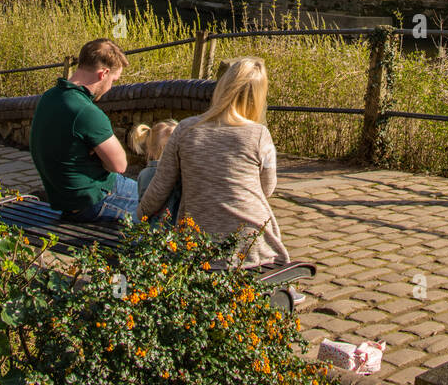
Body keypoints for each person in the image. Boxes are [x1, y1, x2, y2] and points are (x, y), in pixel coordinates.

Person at [136, 57, 289, 268]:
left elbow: (160, 187)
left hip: (197, 242)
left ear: (223, 87)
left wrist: (138, 217)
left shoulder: (185, 129)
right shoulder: (260, 134)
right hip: (250, 242)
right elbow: (267, 188)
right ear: (258, 98)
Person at [29, 37, 139, 223]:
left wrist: (93, 154)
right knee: (160, 199)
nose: (111, 87)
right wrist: (98, 156)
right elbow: (120, 165)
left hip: (64, 199)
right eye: (114, 80)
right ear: (103, 74)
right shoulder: (86, 112)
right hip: (94, 200)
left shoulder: (49, 97)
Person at [130, 120, 179, 223]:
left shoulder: (144, 174)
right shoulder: (179, 175)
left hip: (150, 231)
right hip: (175, 231)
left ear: (150, 149)